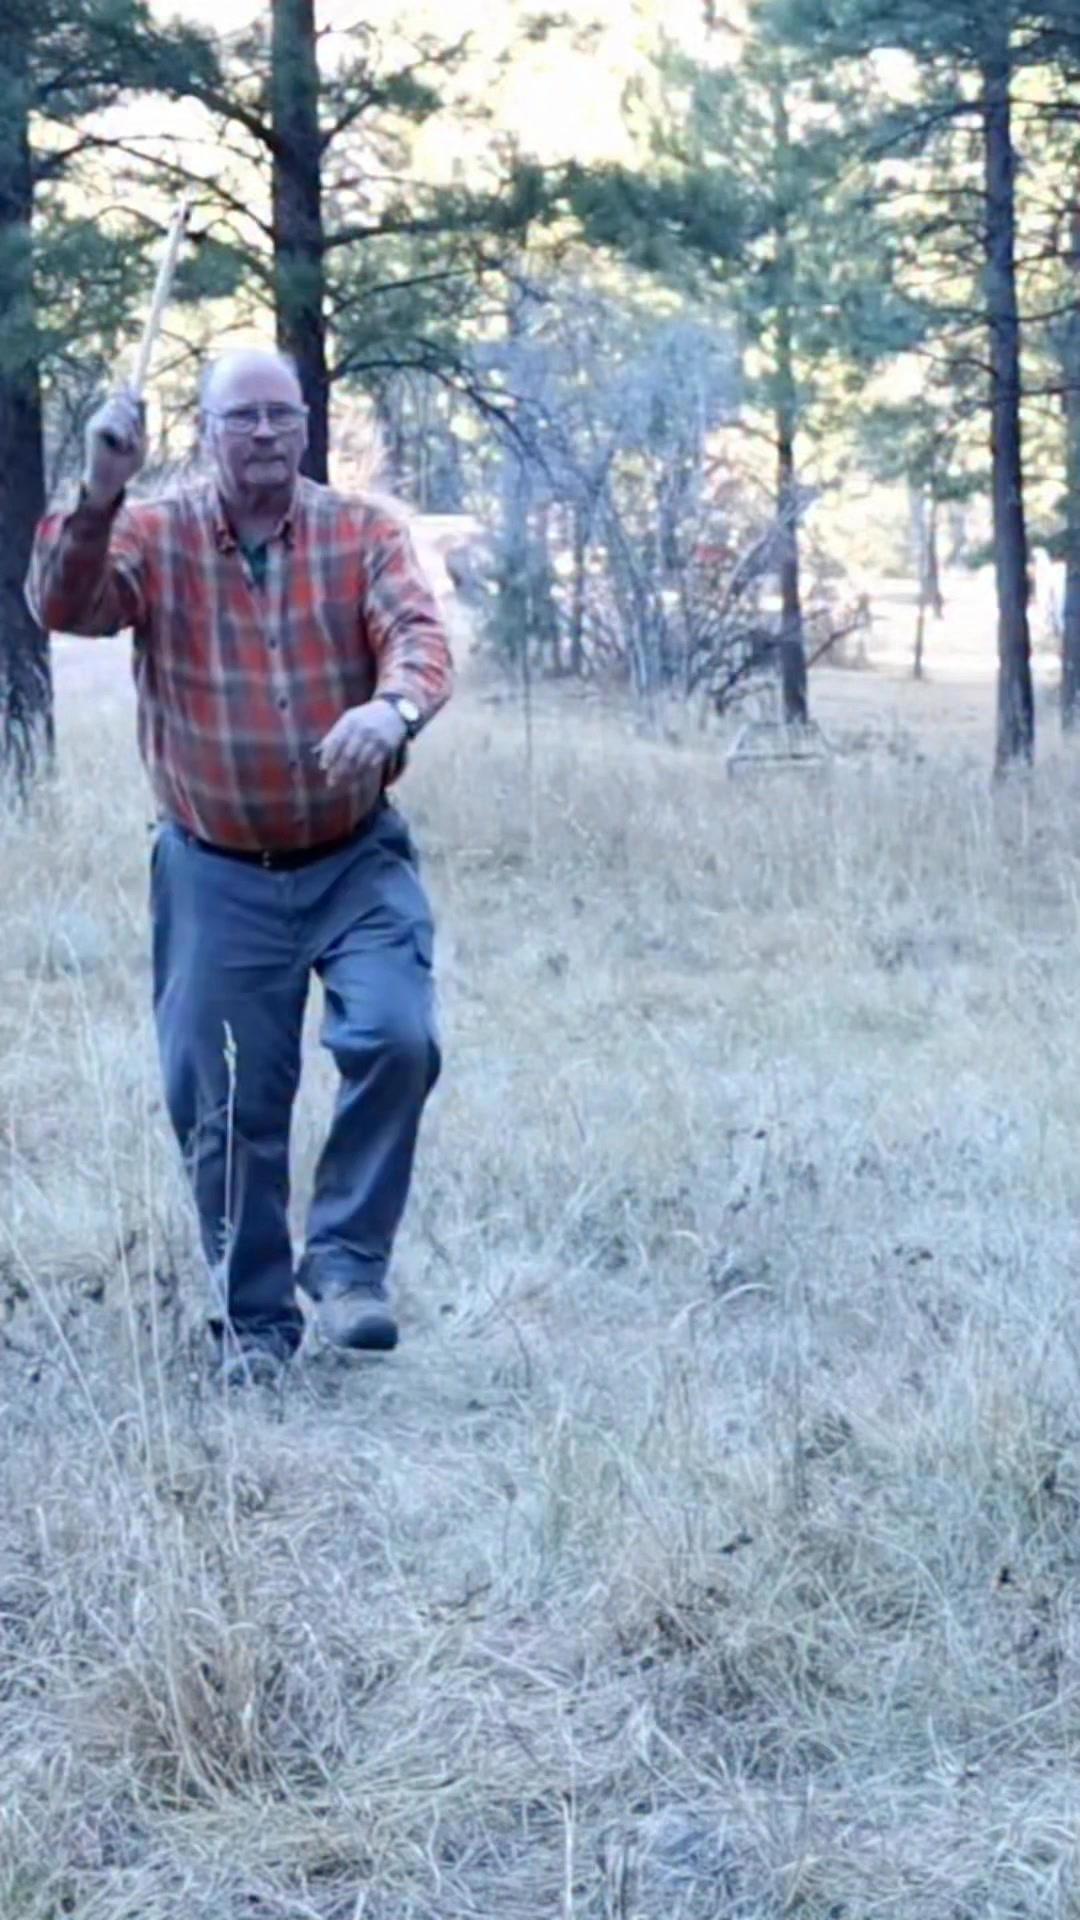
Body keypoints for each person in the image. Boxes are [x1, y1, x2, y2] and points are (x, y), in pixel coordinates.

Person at [26, 348, 453, 1384]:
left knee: (397, 1037)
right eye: (242, 418)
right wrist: (99, 489)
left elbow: (419, 637)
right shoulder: (154, 533)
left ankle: (346, 1265)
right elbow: (64, 605)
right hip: (215, 868)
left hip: (354, 858)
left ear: (304, 425)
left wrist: (392, 710)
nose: (264, 434)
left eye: (281, 416)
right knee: (223, 1102)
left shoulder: (361, 531)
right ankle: (255, 1330)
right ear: (206, 430)